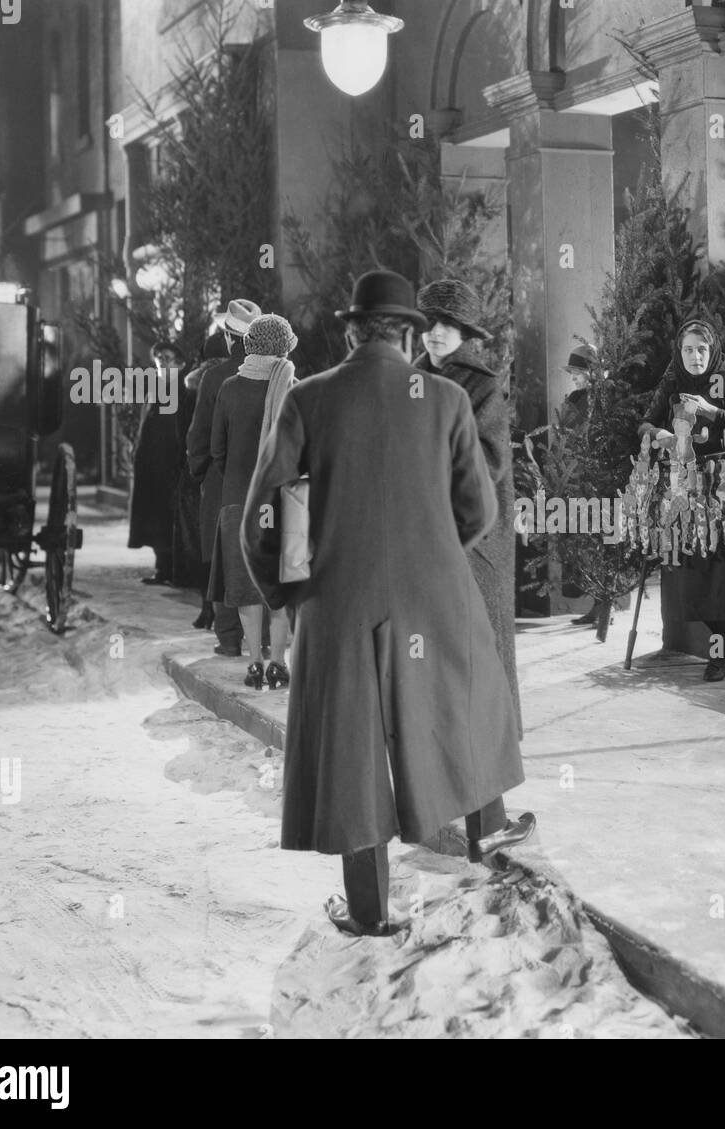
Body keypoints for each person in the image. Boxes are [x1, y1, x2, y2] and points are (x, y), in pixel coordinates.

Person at [240, 270, 535, 938]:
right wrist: (428, 554)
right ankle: (475, 832)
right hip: (433, 597)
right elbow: (478, 509)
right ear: (406, 332)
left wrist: (289, 587)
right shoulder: (444, 401)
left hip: (337, 600)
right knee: (456, 716)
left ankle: (371, 908)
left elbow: (266, 510)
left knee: (352, 748)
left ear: (349, 330)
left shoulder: (310, 399)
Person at [414, 279, 521, 732]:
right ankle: (447, 771)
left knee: (481, 644)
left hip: (476, 539)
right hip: (425, 538)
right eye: (429, 323)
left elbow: (487, 461)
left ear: (465, 333)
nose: (436, 332)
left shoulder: (481, 386)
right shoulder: (411, 379)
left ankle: (490, 776)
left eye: (448, 325)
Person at [637, 318, 725, 682]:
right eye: (688, 350)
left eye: (701, 349)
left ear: (712, 350)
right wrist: (660, 434)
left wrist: (710, 410)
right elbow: (644, 424)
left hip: (719, 487)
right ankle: (716, 648)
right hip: (683, 487)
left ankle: (720, 656)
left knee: (719, 573)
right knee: (690, 571)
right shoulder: (672, 383)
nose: (695, 357)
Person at [210, 315, 297, 689]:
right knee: (277, 585)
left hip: (237, 499)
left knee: (246, 586)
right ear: (282, 347)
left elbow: (217, 448)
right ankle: (279, 661)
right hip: (280, 501)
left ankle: (255, 663)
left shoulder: (229, 388)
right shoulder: (291, 387)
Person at [187, 298, 260, 656]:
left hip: (222, 482)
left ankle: (229, 638)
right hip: (264, 483)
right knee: (259, 558)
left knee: (222, 560)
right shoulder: (280, 374)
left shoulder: (215, 377)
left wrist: (200, 472)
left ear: (230, 338)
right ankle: (260, 641)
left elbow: (199, 436)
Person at [176, 331, 228, 628]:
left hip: (202, 471)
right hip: (228, 471)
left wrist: (194, 466)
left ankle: (208, 608)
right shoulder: (239, 377)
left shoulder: (196, 384)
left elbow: (190, 431)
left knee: (203, 542)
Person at [127, 340, 186, 586]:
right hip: (151, 463)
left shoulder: (182, 388)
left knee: (168, 517)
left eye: (167, 358)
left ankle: (174, 570)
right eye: (159, 358)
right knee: (154, 516)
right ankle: (163, 568)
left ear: (179, 362)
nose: (162, 362)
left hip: (170, 463)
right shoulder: (158, 386)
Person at [558, 343, 608, 628]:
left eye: (578, 371)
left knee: (600, 542)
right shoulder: (575, 398)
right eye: (572, 372)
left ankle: (604, 607)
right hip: (574, 474)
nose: (574, 376)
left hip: (595, 476)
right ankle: (596, 605)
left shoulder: (601, 400)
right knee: (586, 543)